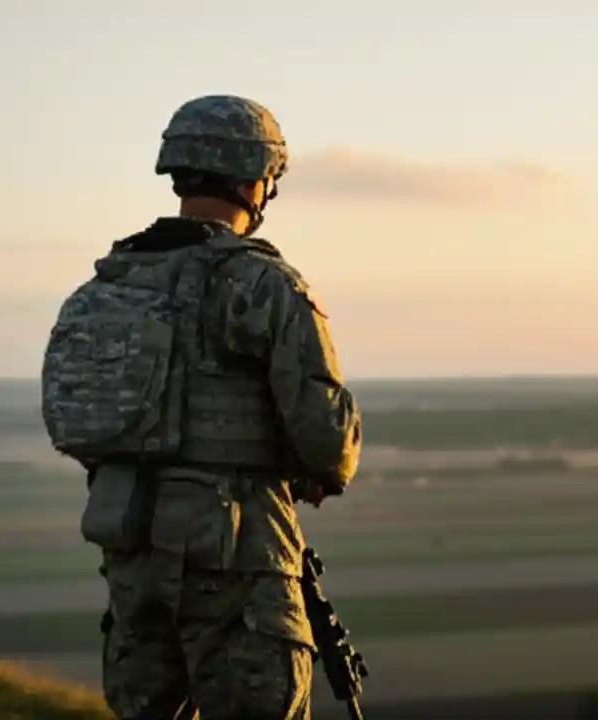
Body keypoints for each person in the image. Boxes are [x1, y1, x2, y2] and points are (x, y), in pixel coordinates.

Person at [40, 94, 363, 719]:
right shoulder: (264, 283)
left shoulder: (110, 282)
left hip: (129, 542)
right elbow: (328, 437)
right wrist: (318, 472)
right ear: (255, 180)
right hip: (234, 550)